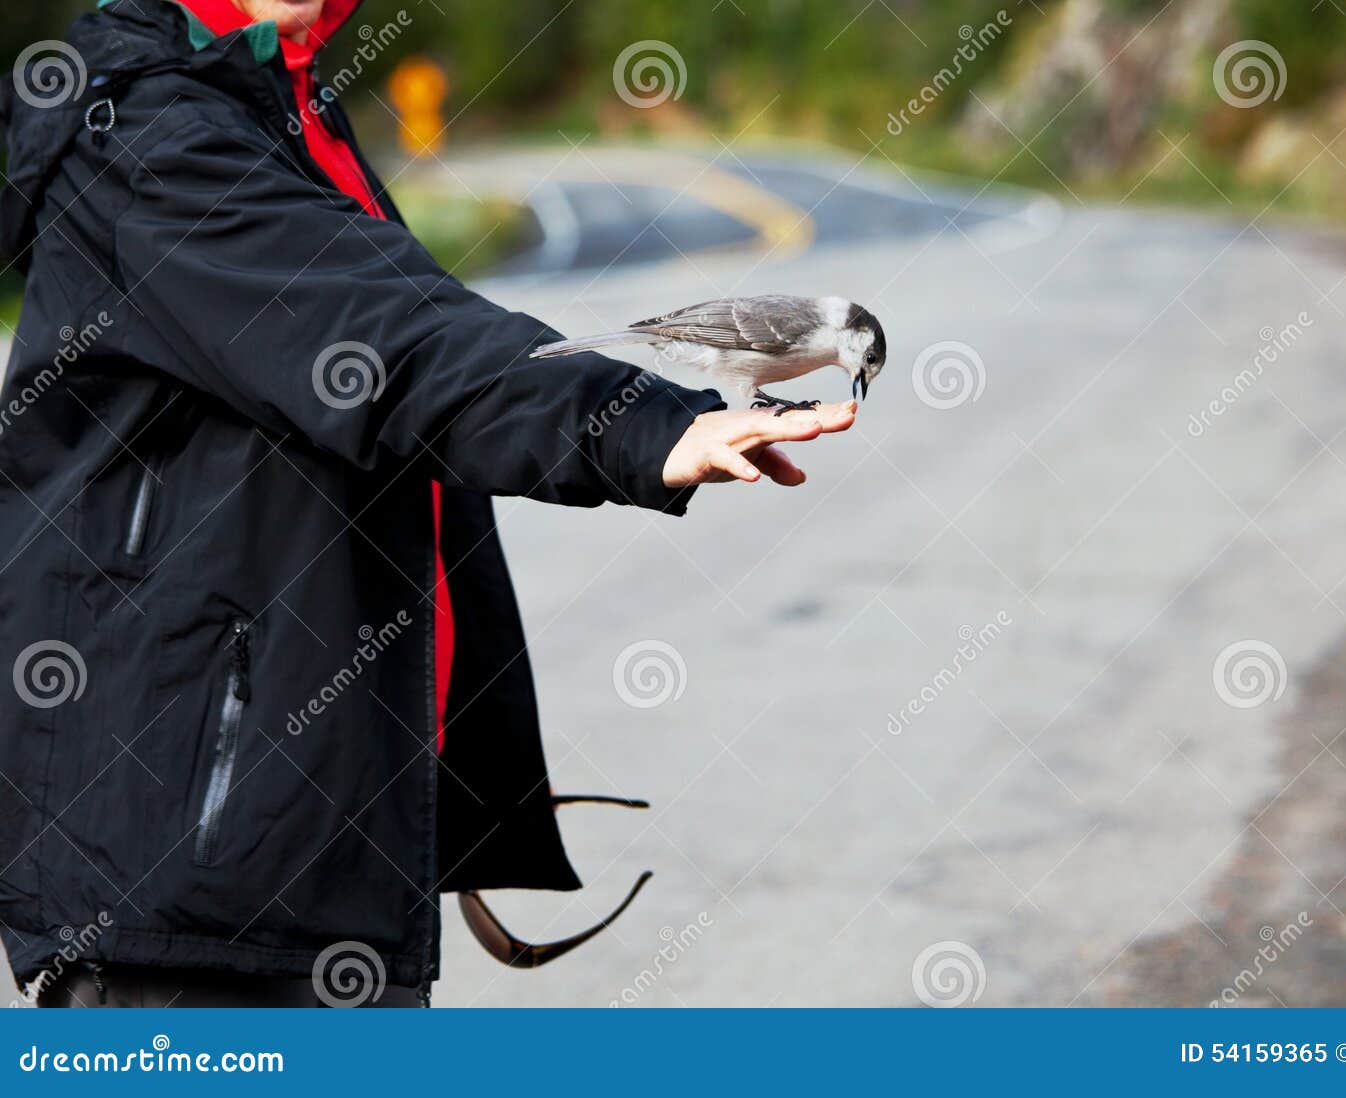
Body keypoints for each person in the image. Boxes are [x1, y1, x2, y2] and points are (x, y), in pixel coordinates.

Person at [0, 0, 854, 1007]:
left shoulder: (276, 90)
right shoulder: (151, 130)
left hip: (293, 842)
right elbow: (391, 338)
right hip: (186, 883)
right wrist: (635, 424)